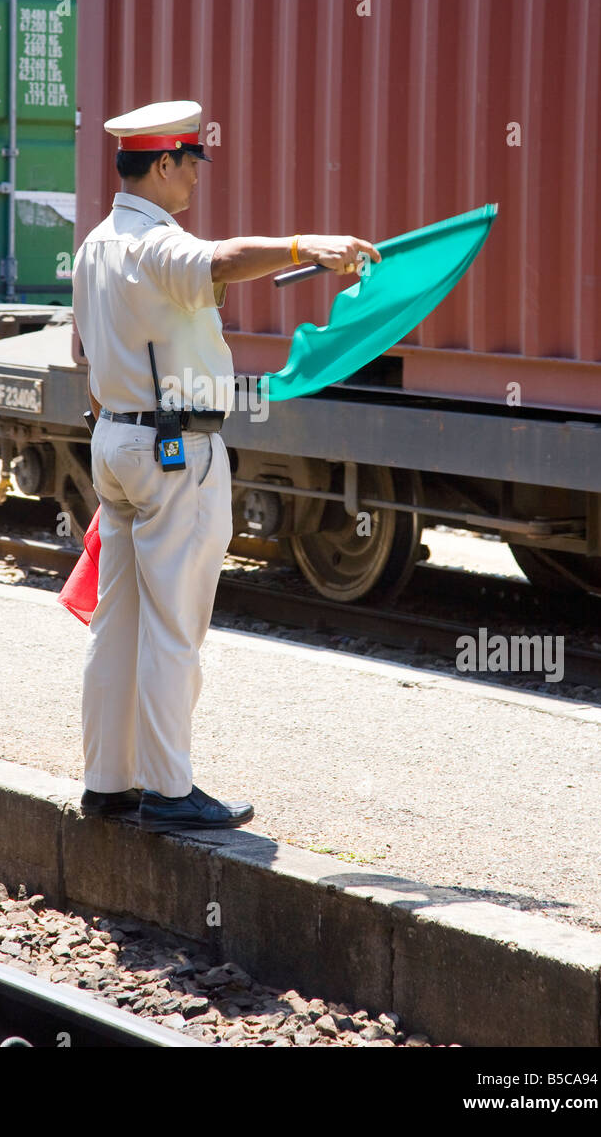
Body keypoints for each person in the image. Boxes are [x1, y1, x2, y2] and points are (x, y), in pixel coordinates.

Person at [71, 100, 380, 832]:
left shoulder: (94, 246)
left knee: (117, 623)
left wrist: (121, 423)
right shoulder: (156, 244)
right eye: (191, 166)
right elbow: (223, 259)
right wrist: (310, 245)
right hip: (176, 452)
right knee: (175, 626)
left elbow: (86, 354)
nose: (196, 182)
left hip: (116, 441)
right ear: (166, 164)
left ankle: (108, 783)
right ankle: (170, 791)